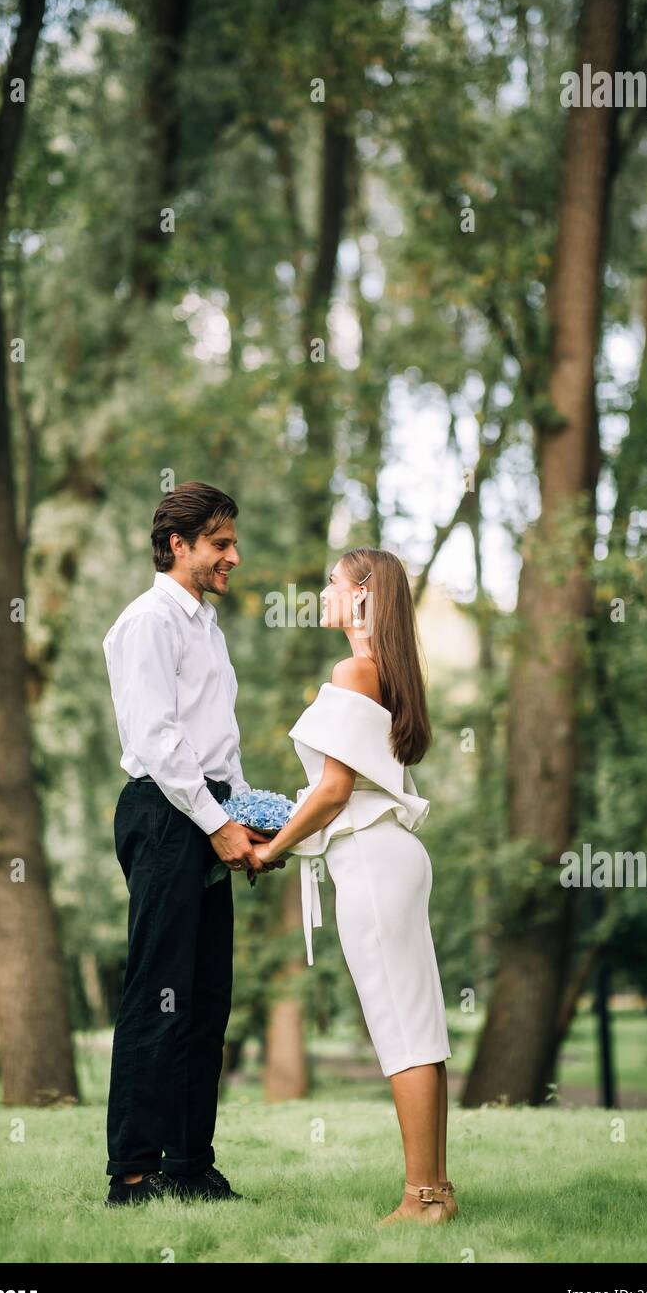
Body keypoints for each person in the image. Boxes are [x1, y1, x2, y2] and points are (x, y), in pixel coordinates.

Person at [254, 547, 457, 1226]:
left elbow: (334, 791)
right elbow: (339, 788)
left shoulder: (354, 668)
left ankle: (421, 1198)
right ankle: (436, 1190)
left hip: (371, 861)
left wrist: (271, 850)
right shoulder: (388, 673)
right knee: (420, 1029)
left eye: (331, 582)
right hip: (392, 857)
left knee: (402, 1030)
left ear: (364, 594)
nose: (321, 592)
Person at [102, 481, 280, 1206]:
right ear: (179, 545)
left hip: (206, 810)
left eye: (232, 543)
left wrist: (247, 816)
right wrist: (216, 823)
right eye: (221, 544)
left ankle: (189, 1162)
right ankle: (133, 1173)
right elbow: (160, 741)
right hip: (165, 815)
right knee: (157, 993)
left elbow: (216, 741)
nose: (233, 557)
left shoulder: (206, 625)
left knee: (205, 996)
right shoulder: (148, 622)